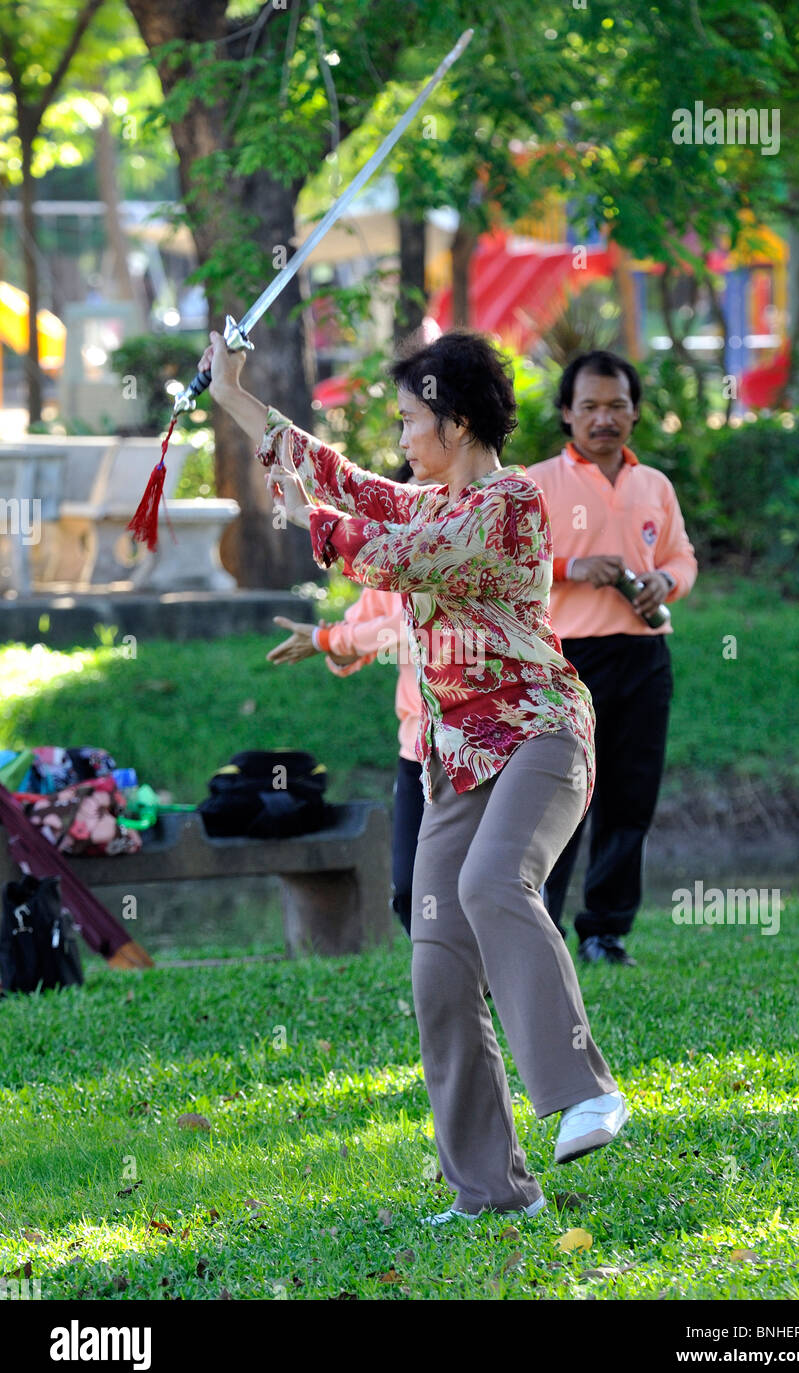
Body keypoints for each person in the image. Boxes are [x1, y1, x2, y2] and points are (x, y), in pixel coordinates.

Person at [198, 327, 628, 1223]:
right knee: (436, 969)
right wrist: (234, 392)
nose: (397, 439)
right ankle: (492, 1190)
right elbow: (334, 473)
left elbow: (389, 559)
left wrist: (307, 518)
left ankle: (586, 1089)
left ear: (457, 421)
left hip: (540, 736)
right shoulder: (426, 504)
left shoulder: (506, 506)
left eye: (407, 421)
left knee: (492, 883)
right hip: (453, 764)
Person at [529, 350, 697, 967]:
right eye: (590, 406)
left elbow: (683, 559)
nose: (604, 418)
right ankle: (538, 926)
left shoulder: (654, 485)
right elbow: (502, 564)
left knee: (630, 797)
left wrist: (667, 583)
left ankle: (605, 931)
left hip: (646, 655)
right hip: (566, 660)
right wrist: (573, 569)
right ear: (567, 413)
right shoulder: (535, 484)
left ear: (635, 413)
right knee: (557, 799)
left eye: (617, 406)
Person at [266, 462, 423, 936]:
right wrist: (328, 641)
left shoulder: (474, 553)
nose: (416, 515)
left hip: (485, 744)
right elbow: (362, 633)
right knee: (411, 891)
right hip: (417, 746)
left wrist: (329, 638)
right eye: (406, 504)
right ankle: (463, 992)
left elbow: (418, 632)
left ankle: (512, 985)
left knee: (493, 887)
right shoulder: (391, 569)